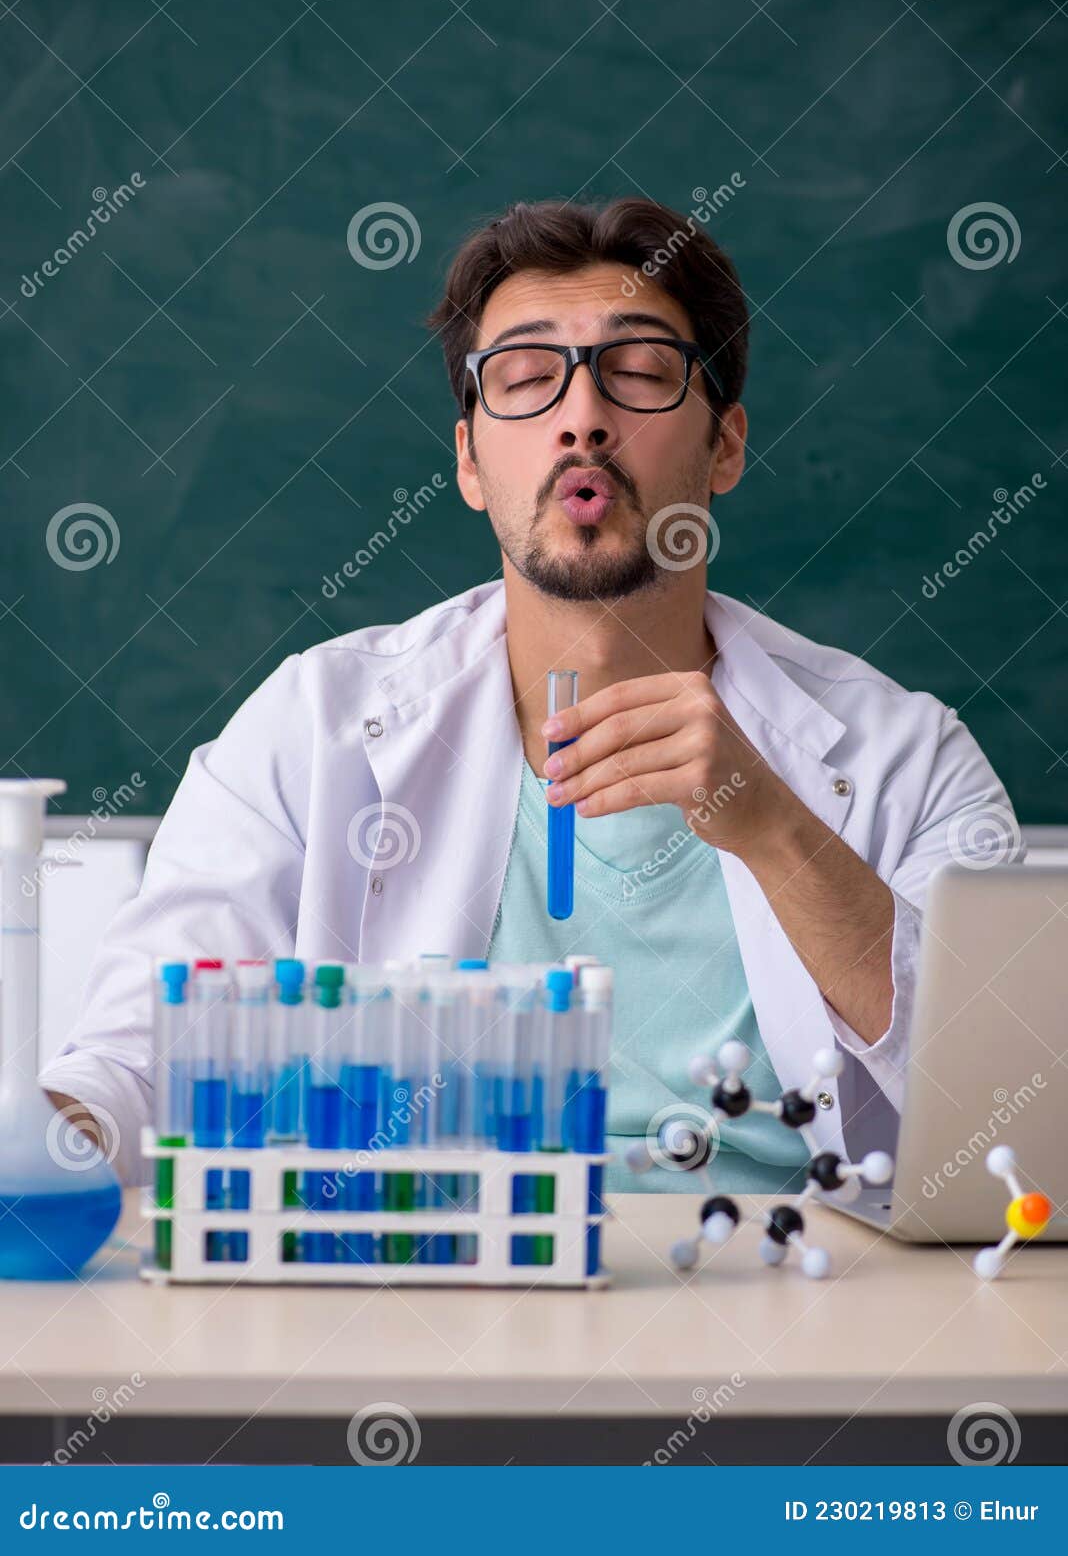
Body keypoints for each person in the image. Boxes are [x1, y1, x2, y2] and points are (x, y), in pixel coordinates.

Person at [42, 197, 1022, 1189]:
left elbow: (1013, 1110)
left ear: (725, 446)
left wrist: (772, 824)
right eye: (522, 379)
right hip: (432, 1297)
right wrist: (47, 1134)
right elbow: (137, 1064)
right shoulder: (315, 729)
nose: (582, 417)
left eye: (639, 373)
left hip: (789, 1305)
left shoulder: (905, 756)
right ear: (469, 459)